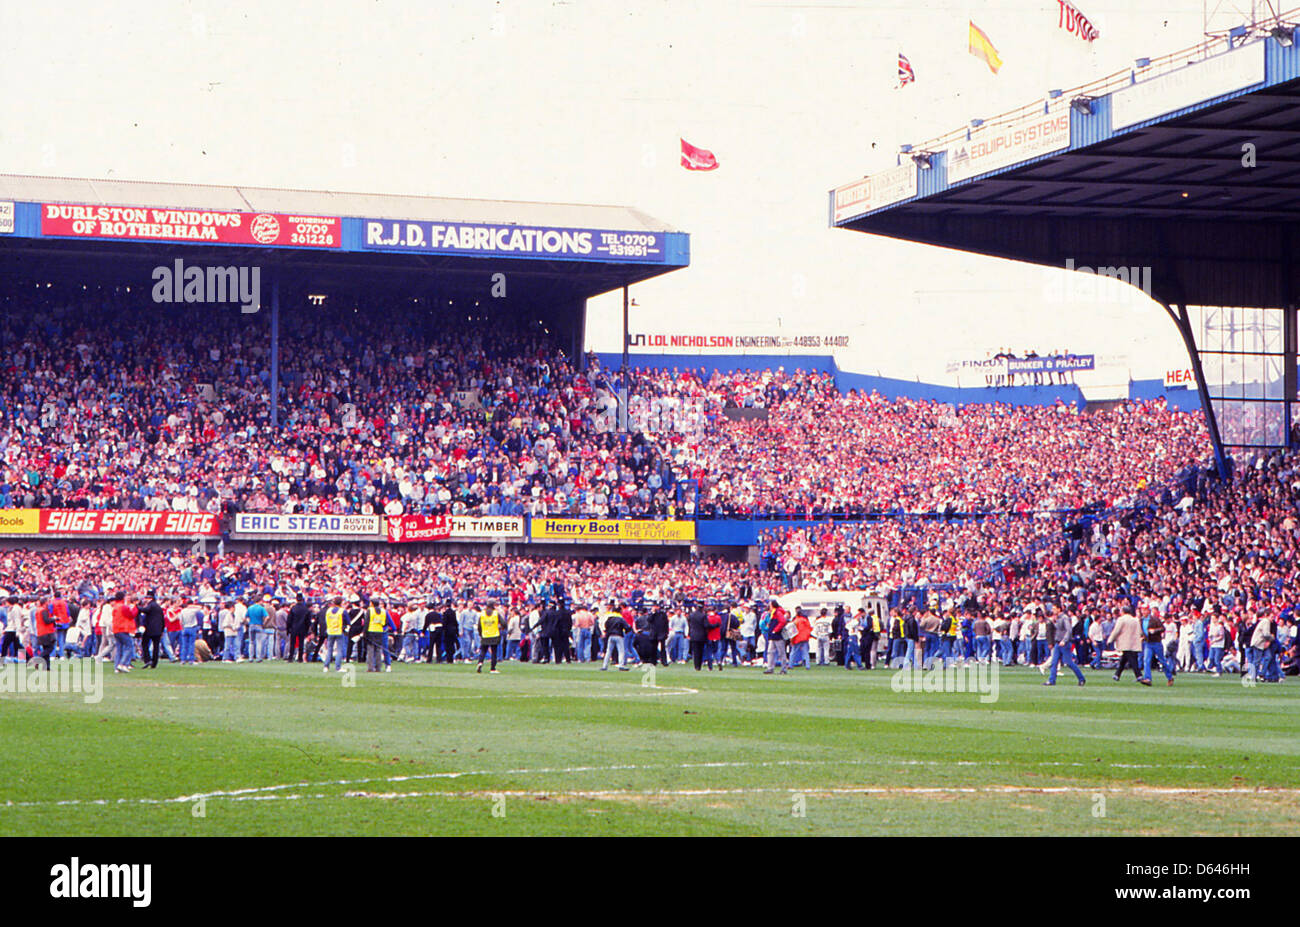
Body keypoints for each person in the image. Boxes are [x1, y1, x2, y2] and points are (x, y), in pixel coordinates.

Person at [1043, 606, 1086, 686]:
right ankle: (1051, 680)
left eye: (1054, 608)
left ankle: (1081, 678)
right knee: (1054, 662)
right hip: (1058, 642)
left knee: (1069, 662)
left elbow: (1068, 630)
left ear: (1059, 609)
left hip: (1064, 643)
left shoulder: (1064, 618)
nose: (1053, 610)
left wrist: (1064, 640)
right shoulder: (1057, 618)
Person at [1108, 605, 1143, 682]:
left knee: (1131, 659)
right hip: (1134, 642)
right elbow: (1140, 632)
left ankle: (1139, 675)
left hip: (1125, 642)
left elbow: (1116, 630)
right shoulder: (1135, 620)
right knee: (1125, 659)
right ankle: (1117, 674)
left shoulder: (1121, 619)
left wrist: (1110, 639)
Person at [1140, 610, 1175, 687]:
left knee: (1162, 660)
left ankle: (1170, 677)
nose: (1143, 612)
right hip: (1148, 643)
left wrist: (1154, 631)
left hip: (1156, 643)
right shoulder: (1141, 620)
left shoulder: (1155, 619)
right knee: (1146, 660)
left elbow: (1162, 628)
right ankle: (1148, 678)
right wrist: (1142, 637)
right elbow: (1143, 631)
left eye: (1145, 610)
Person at [138, 589, 166, 669]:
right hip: (158, 630)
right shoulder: (158, 607)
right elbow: (162, 619)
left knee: (144, 643)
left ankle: (147, 659)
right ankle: (154, 662)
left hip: (150, 629)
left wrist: (137, 607)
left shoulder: (151, 605)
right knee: (156, 646)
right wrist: (162, 630)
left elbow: (145, 610)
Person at [687, 603, 719, 671]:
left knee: (695, 651)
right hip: (701, 636)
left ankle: (696, 666)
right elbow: (706, 625)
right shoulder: (703, 616)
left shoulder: (691, 615)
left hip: (693, 635)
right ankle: (699, 666)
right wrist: (715, 625)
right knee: (700, 651)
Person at [762, 601, 790, 675]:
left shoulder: (777, 613)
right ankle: (770, 668)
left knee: (781, 653)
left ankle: (783, 669)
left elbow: (783, 621)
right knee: (770, 652)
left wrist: (775, 630)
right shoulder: (774, 613)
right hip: (773, 635)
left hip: (777, 636)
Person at [322, 595, 348, 673]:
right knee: (339, 650)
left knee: (329, 649)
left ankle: (326, 666)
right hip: (339, 631)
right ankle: (338, 667)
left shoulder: (329, 610)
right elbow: (347, 621)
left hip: (330, 631)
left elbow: (326, 620)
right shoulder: (342, 611)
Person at [477, 600, 502, 674]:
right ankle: (492, 668)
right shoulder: (495, 614)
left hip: (485, 635)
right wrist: (501, 627)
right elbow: (503, 623)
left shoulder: (482, 614)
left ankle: (480, 662)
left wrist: (480, 634)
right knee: (494, 652)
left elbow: (479, 626)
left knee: (483, 651)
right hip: (494, 635)